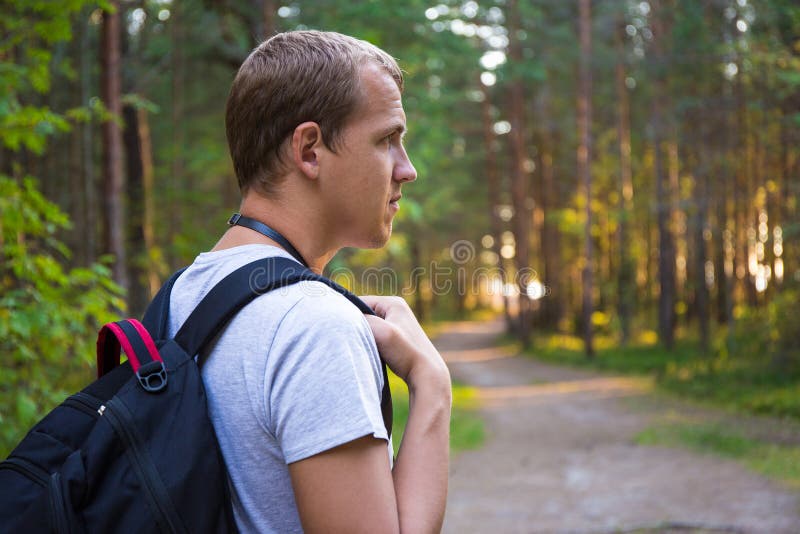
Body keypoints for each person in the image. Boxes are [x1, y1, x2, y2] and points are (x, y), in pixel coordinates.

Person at [166, 30, 452, 533]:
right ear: (310, 150)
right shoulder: (315, 328)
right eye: (387, 139)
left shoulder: (184, 294)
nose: (407, 169)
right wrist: (432, 384)